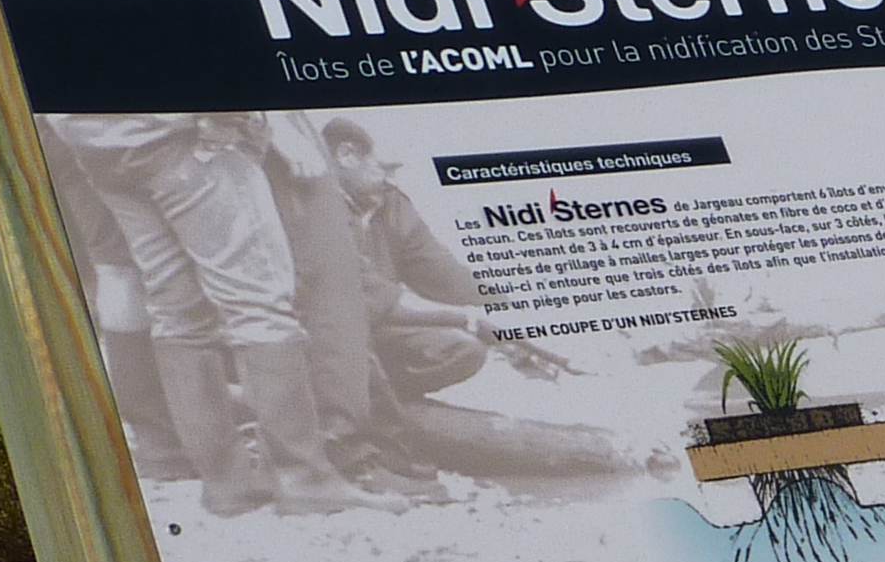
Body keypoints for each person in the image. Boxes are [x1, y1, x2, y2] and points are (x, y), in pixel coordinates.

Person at [42, 114, 392, 516]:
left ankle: (226, 481)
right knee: (258, 301)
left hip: (97, 141)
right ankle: (305, 478)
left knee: (175, 309)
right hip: (188, 137)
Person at [319, 120, 634, 482]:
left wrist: (527, 320)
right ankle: (360, 419)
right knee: (450, 339)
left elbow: (445, 276)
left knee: (460, 350)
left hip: (371, 334)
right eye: (384, 168)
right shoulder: (316, 208)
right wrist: (469, 318)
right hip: (329, 341)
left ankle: (380, 400)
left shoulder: (387, 203)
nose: (390, 180)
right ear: (347, 155)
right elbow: (370, 294)